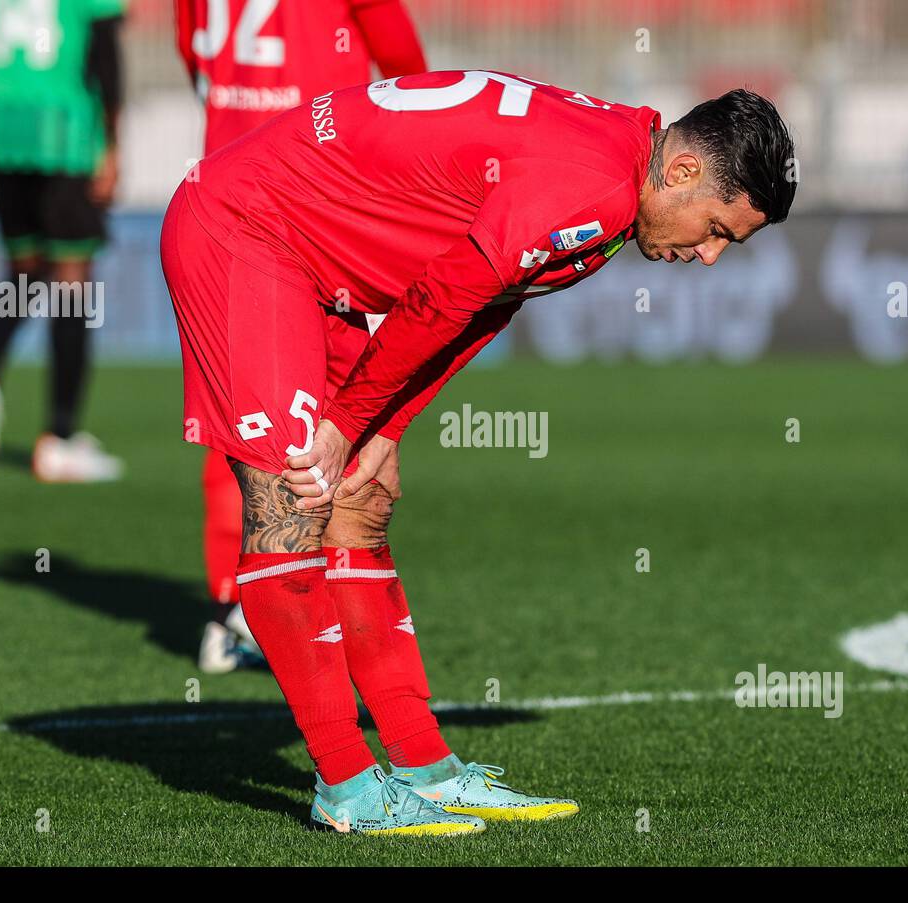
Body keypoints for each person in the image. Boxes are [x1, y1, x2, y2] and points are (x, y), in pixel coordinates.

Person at [160, 71, 796, 835]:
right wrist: (351, 420)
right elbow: (449, 295)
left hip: (310, 259)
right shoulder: (596, 189)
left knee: (357, 503)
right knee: (289, 505)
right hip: (247, 231)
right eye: (720, 231)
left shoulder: (621, 158)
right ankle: (347, 786)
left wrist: (384, 427)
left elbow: (485, 298)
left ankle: (424, 767)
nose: (711, 255)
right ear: (685, 171)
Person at [172, 0, 427, 673]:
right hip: (323, 198)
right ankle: (331, 600)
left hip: (223, 195)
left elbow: (194, 53)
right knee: (346, 404)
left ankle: (232, 610)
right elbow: (406, 69)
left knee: (238, 420)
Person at [0, 0, 125, 482]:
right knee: (73, 283)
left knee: (25, 272)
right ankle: (60, 438)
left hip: (4, 131)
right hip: (64, 132)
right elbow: (105, 56)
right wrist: (112, 143)